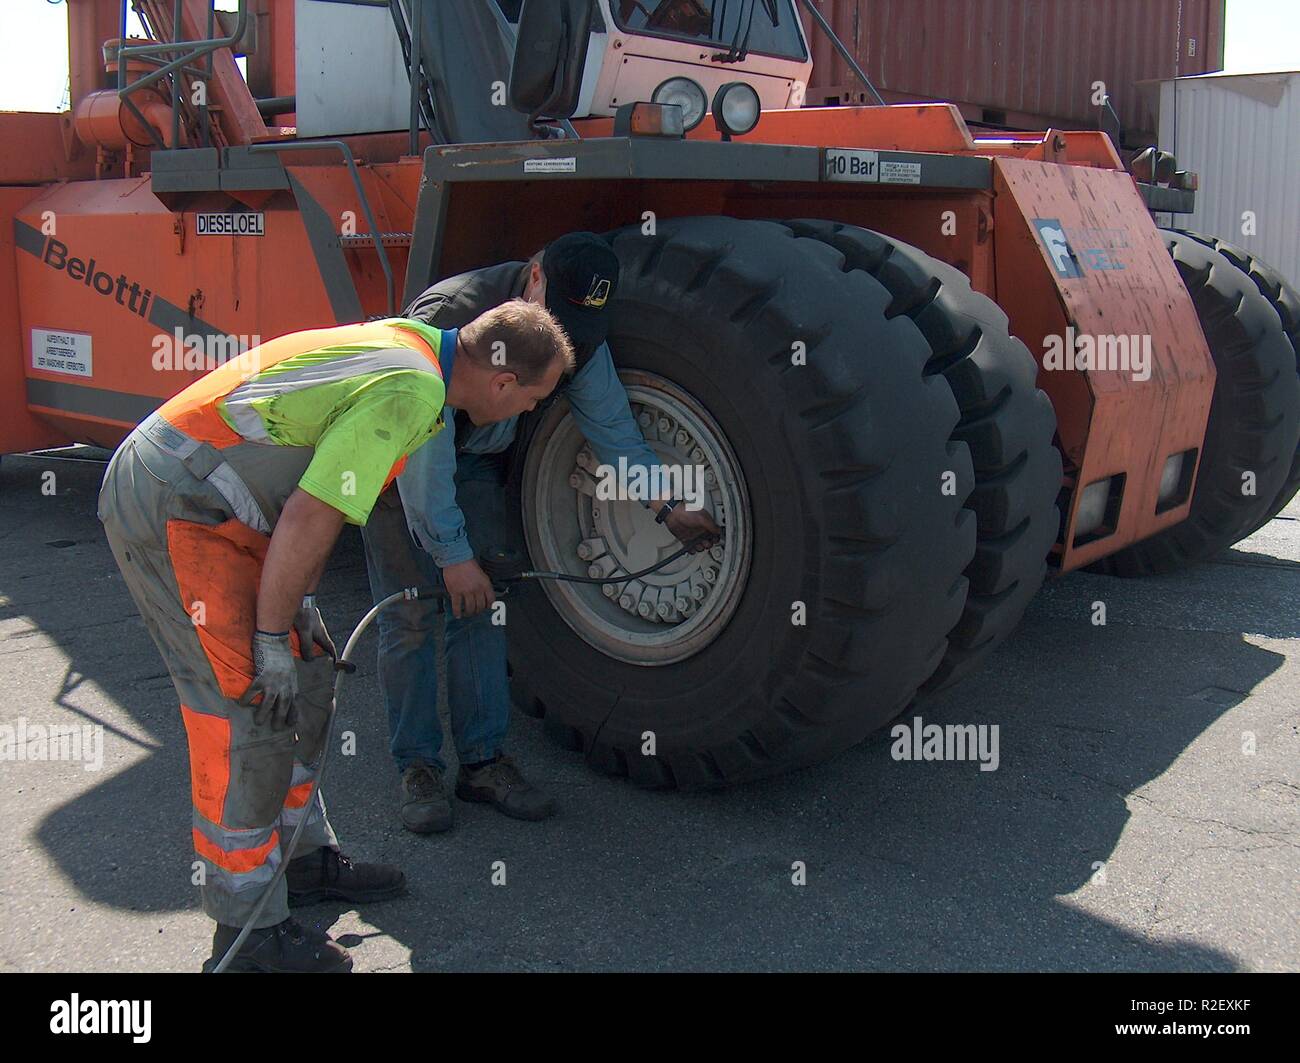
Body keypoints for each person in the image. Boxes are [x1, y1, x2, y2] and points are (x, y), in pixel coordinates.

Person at [98, 301, 573, 972]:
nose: (527, 412)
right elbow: (311, 513)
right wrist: (268, 639)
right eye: (532, 398)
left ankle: (301, 860)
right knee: (252, 706)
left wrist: (296, 620)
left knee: (311, 676)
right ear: (501, 383)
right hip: (178, 503)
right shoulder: (413, 388)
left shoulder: (416, 347)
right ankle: (248, 933)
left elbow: (316, 496)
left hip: (226, 508)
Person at [362, 233, 721, 834]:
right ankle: (418, 769)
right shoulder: (451, 316)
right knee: (411, 613)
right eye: (559, 319)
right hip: (396, 457)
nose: (568, 340)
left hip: (472, 457)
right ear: (534, 276)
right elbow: (424, 469)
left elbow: (613, 431)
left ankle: (482, 763)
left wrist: (669, 507)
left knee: (482, 604)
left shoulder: (578, 333)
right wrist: (452, 557)